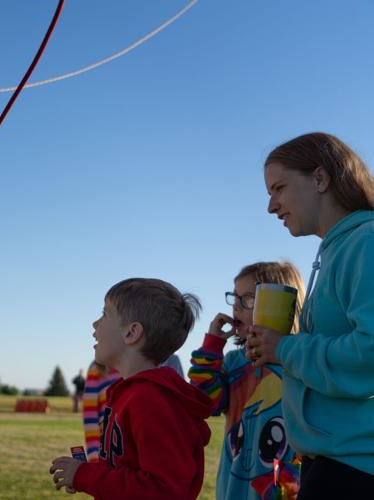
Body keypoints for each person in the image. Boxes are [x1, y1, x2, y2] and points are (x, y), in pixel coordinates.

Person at [247, 132, 374, 498]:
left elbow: (370, 352)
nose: (272, 206)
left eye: (279, 188)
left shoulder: (365, 242)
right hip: (334, 461)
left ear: (320, 178)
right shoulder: (337, 250)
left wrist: (285, 348)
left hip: (355, 467)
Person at [50, 278, 212, 499]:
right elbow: (127, 472)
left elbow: (164, 490)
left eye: (105, 314)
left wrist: (86, 475)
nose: (95, 324)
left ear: (131, 333)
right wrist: (89, 475)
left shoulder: (150, 400)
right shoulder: (129, 393)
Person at [189, 261, 305, 499]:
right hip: (232, 488)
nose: (237, 308)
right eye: (235, 297)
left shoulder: (300, 361)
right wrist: (212, 345)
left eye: (249, 299)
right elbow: (204, 401)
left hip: (282, 489)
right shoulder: (234, 363)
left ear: (281, 304)